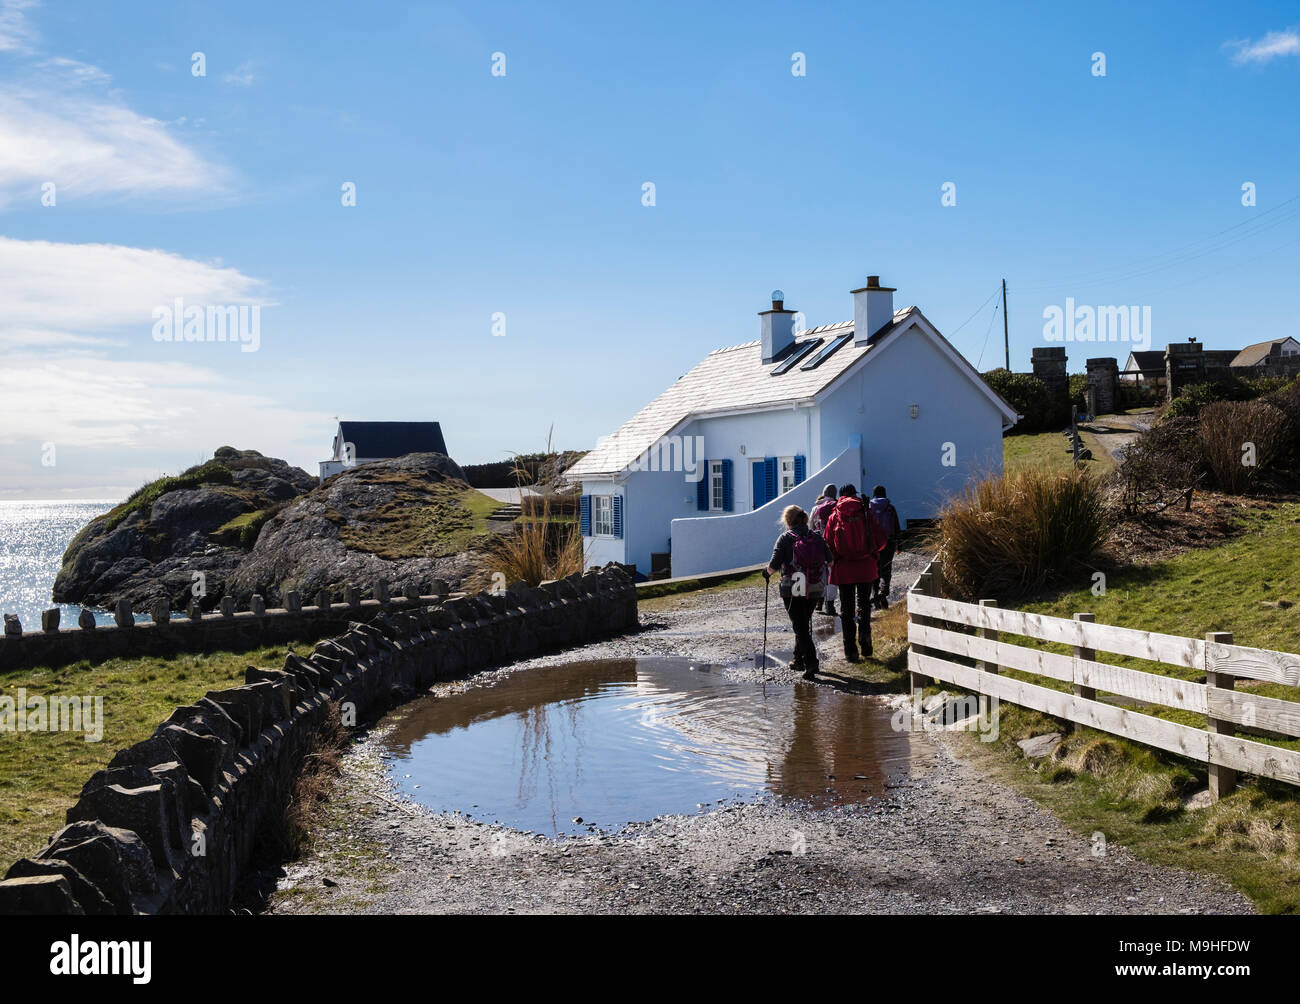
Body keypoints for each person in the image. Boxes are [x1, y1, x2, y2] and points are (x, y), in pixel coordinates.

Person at [763, 504, 832, 680]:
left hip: (794, 586)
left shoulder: (785, 538)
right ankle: (798, 659)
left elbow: (774, 565)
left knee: (799, 625)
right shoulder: (816, 536)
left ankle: (811, 662)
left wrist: (766, 573)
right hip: (815, 587)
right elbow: (830, 561)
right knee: (802, 621)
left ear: (787, 521)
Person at [824, 483, 887, 662]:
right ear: (855, 494)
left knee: (847, 609)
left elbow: (827, 542)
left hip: (844, 568)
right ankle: (866, 643)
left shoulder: (835, 514)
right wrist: (873, 554)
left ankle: (850, 651)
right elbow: (880, 538)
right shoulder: (865, 512)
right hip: (866, 566)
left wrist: (835, 559)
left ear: (841, 496)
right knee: (864, 605)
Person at [867, 485, 902, 610]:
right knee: (886, 569)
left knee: (874, 570)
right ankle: (884, 593)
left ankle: (876, 595)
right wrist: (899, 545)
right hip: (888, 542)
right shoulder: (889, 507)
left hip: (873, 544)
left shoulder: (869, 507)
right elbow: (896, 527)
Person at [808, 483, 839, 617]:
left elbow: (810, 527)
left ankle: (819, 601)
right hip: (832, 546)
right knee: (832, 575)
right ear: (835, 494)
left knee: (819, 574)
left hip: (817, 546)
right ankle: (830, 604)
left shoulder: (815, 508)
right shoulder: (837, 507)